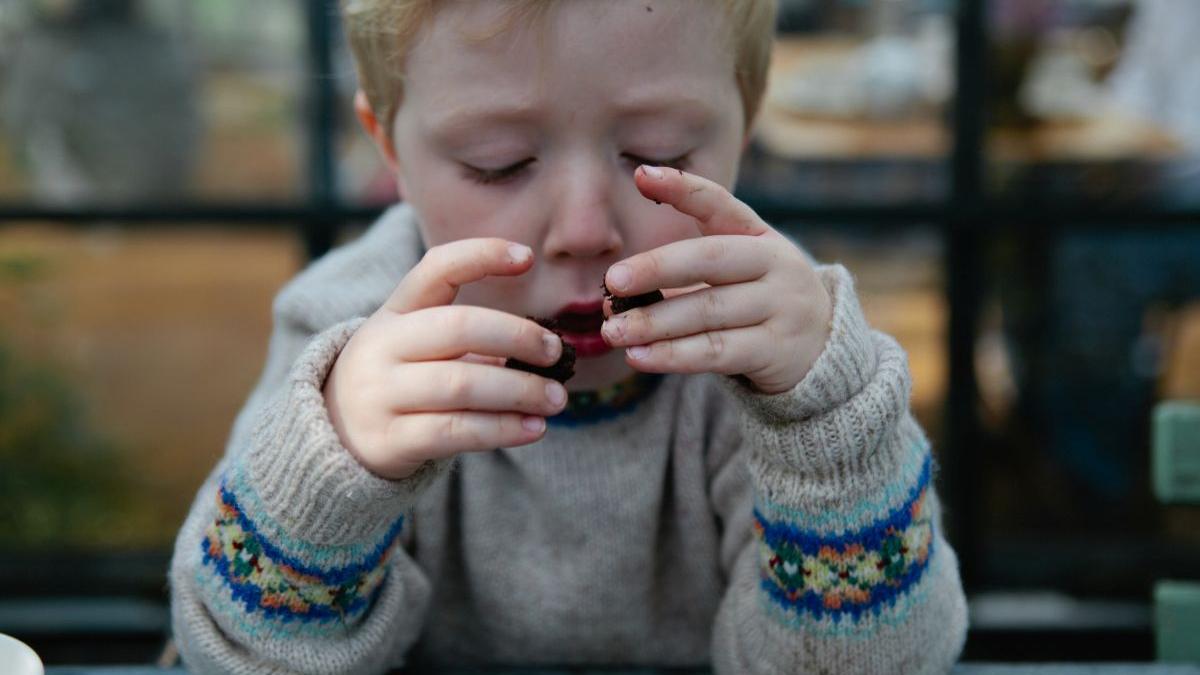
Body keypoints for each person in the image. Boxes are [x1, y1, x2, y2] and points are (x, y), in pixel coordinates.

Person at [169, 1, 968, 672]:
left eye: (658, 153)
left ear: (746, 124)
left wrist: (825, 430)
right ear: (390, 151)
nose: (585, 230)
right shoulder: (345, 338)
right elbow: (227, 655)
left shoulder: (783, 354)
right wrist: (330, 468)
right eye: (500, 162)